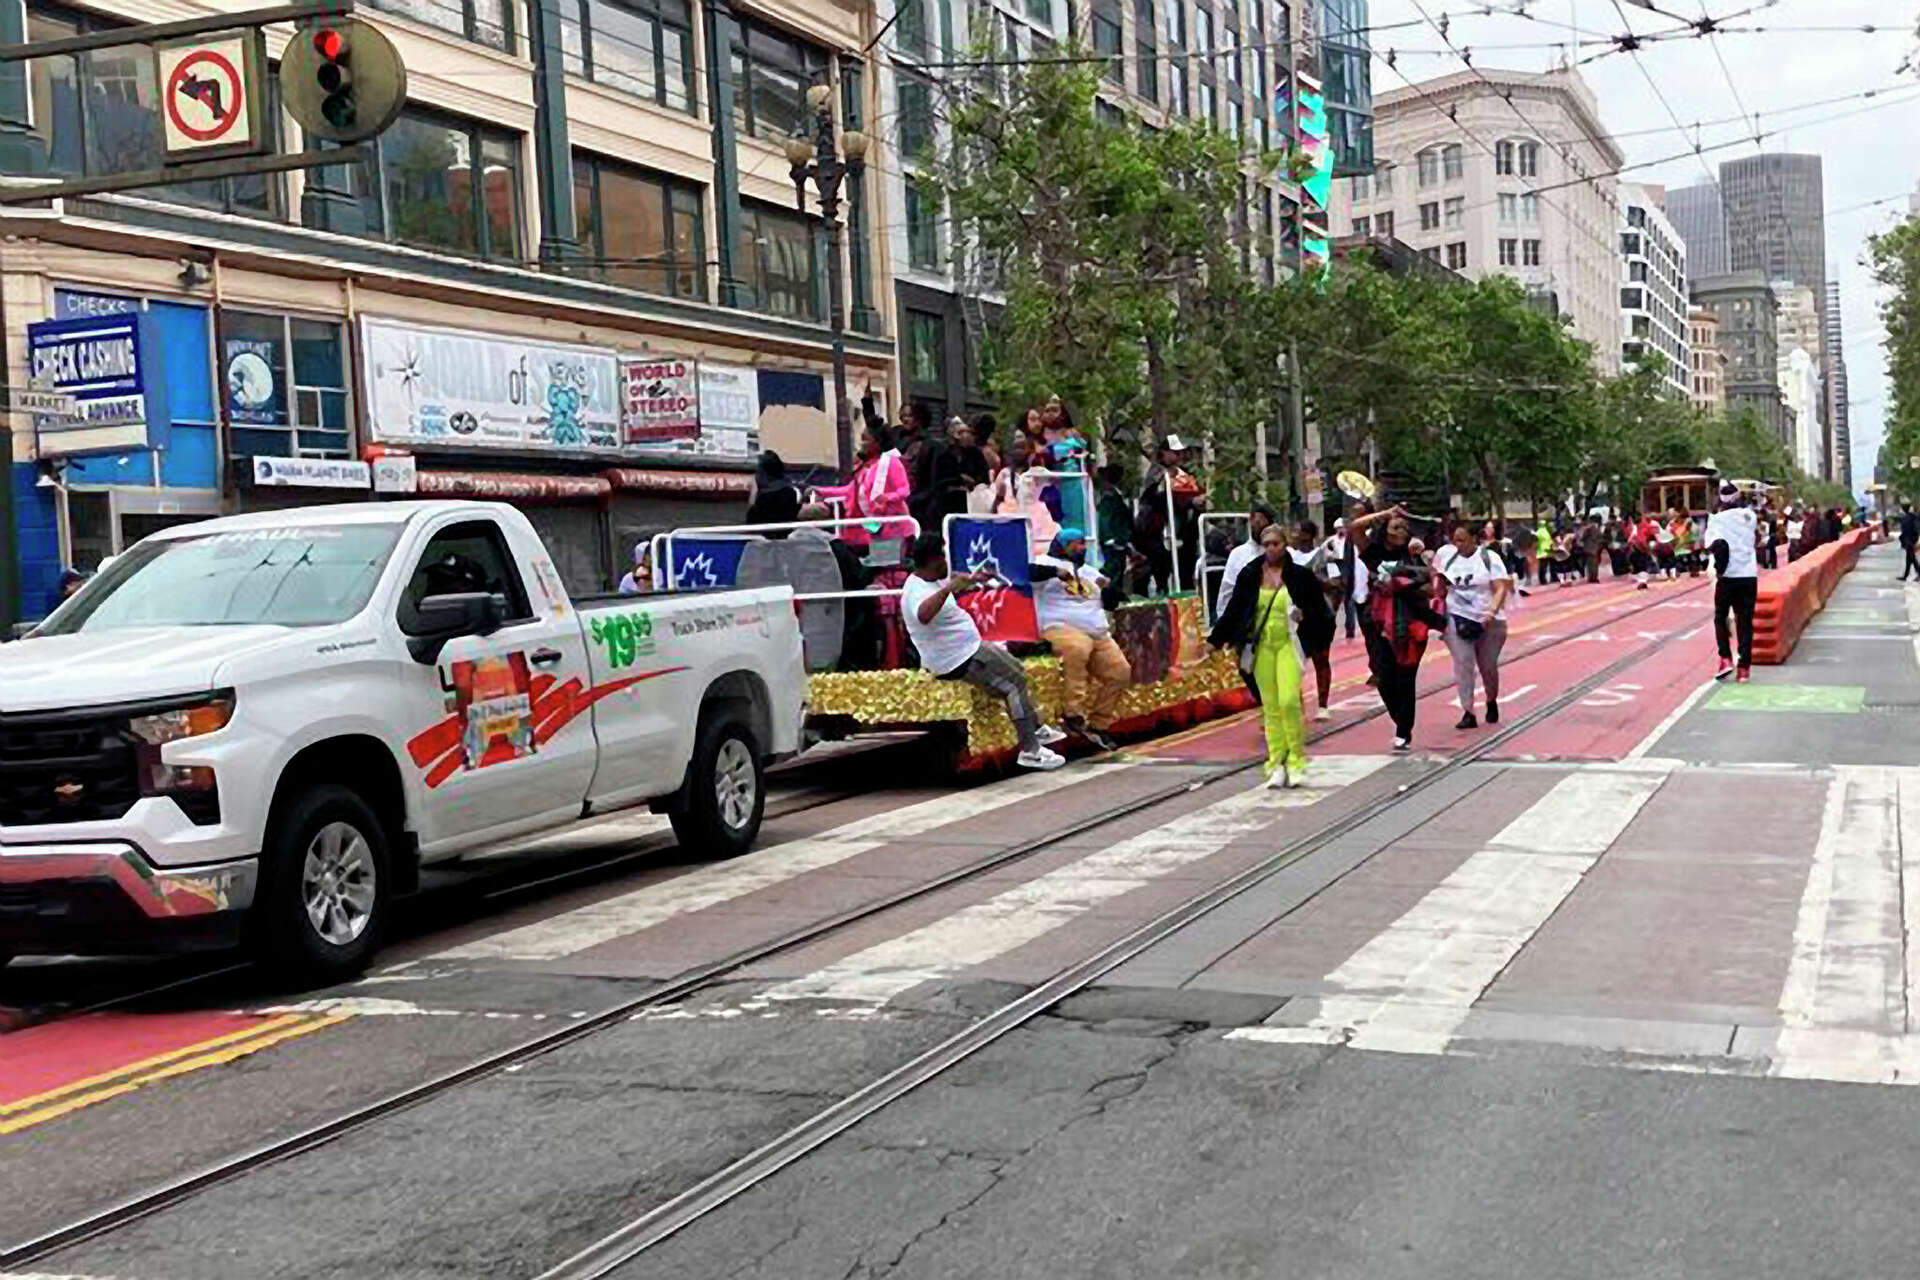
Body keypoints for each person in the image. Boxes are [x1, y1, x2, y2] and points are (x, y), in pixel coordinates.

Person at [901, 532, 1065, 770]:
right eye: (944, 556)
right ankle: (1031, 750)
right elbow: (923, 614)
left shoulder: (929, 580)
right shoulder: (917, 590)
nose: (947, 562)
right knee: (1014, 686)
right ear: (934, 560)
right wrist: (948, 589)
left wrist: (969, 581)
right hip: (959, 658)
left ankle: (1035, 728)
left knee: (1017, 669)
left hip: (968, 648)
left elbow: (947, 589)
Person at [1209, 522, 1310, 787]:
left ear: (1285, 545)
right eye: (1266, 545)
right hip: (1261, 647)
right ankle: (1276, 764)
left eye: (1276, 544)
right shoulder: (1250, 574)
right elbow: (1235, 609)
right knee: (1271, 707)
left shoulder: (1298, 575)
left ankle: (1296, 761)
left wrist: (1305, 617)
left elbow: (1318, 610)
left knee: (1289, 701)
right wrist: (1215, 640)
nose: (1271, 549)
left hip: (1288, 644)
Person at [1034, 527, 1130, 752]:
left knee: (1120, 672)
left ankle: (1099, 724)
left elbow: (1115, 600)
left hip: (1097, 631)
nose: (1081, 548)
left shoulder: (1089, 571)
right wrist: (1054, 572)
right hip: (1059, 626)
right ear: (1062, 546)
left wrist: (1109, 588)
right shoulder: (1044, 563)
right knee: (1078, 646)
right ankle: (1072, 712)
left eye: (1083, 543)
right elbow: (1025, 572)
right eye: (1075, 544)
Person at [1348, 505, 1432, 751]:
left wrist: (1405, 584)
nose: (1401, 531)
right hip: (1380, 625)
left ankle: (1403, 730)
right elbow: (1355, 528)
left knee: (1406, 678)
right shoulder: (1374, 553)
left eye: (1404, 527)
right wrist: (1384, 514)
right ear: (1385, 530)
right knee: (1384, 679)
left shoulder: (1414, 555)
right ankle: (1401, 719)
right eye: (1396, 527)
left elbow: (1431, 586)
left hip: (1411, 624)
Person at [1435, 522, 1513, 730]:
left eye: (1462, 540)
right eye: (1455, 540)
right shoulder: (1446, 557)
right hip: (1457, 616)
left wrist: (1491, 612)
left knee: (1487, 666)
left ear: (1474, 539)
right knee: (1463, 663)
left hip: (1488, 620)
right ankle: (1468, 711)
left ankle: (1491, 699)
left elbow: (1501, 587)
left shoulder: (1489, 558)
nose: (1458, 545)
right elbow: (1438, 584)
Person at [793, 503, 876, 670]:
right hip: (837, 607)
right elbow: (857, 577)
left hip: (799, 608)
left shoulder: (787, 544)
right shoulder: (835, 546)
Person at [813, 423, 913, 557]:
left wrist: (887, 497)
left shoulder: (891, 462)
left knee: (890, 564)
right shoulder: (864, 467)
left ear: (877, 443)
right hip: (873, 528)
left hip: (893, 527)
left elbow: (904, 490)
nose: (861, 444)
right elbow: (849, 491)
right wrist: (820, 490)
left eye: (865, 439)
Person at [1705, 481, 1760, 683]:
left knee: (1720, 617)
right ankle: (1744, 668)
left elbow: (1712, 545)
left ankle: (1725, 658)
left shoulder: (1717, 520)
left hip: (1728, 576)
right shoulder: (1751, 517)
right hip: (1749, 575)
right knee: (1745, 621)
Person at [1288, 519, 1339, 722]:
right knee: (1293, 663)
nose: (1293, 535)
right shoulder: (1289, 558)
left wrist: (1316, 579)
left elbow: (1336, 583)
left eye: (1297, 531)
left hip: (1319, 615)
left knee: (1320, 659)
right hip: (1295, 615)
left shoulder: (1325, 556)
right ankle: (1296, 706)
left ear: (1308, 535)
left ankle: (1323, 706)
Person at [991, 435, 1063, 555]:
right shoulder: (1005, 473)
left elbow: (1056, 479)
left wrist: (1039, 459)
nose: (1019, 451)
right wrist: (992, 517)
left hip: (1035, 514)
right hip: (1009, 513)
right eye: (1016, 448)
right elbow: (999, 497)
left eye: (1022, 448)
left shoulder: (1036, 472)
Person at [1216, 501, 1278, 622]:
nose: (1257, 524)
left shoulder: (1281, 553)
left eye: (1262, 520)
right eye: (1254, 519)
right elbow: (1227, 590)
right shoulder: (1238, 554)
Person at [925, 416, 992, 525]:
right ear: (957, 435)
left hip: (971, 502)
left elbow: (984, 478)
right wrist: (960, 479)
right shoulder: (944, 454)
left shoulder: (977, 454)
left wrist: (972, 483)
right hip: (946, 504)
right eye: (968, 433)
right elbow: (937, 481)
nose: (972, 437)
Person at [1095, 463, 1135, 577]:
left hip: (1118, 542)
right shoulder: (1110, 498)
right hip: (1113, 544)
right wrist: (1111, 540)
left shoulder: (1115, 495)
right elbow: (1105, 520)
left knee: (1117, 571)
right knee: (1113, 572)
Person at [745, 450, 801, 532]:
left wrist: (754, 490)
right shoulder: (790, 492)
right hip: (785, 535)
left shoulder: (764, 498)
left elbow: (751, 523)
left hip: (764, 537)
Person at [1579, 514, 1604, 585]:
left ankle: (1592, 577)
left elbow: (1583, 537)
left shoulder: (1588, 527)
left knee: (1590, 564)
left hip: (1588, 547)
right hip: (1595, 547)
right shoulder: (1597, 527)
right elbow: (1600, 537)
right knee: (1594, 563)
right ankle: (1594, 577)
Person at [1900, 502, 1920, 581]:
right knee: (1911, 558)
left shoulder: (1908, 518)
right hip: (1910, 540)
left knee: (1910, 558)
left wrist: (1912, 541)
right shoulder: (1912, 517)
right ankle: (1906, 576)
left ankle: (1906, 576)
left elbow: (1909, 530)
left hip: (1909, 541)